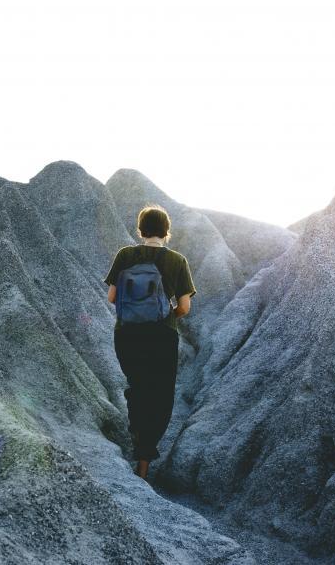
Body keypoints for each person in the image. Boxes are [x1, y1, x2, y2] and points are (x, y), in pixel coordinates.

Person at [104, 204, 197, 481]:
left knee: (138, 388)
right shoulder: (177, 261)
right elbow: (185, 307)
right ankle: (144, 462)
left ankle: (136, 435)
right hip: (162, 336)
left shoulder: (125, 255)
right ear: (167, 231)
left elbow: (111, 297)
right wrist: (167, 315)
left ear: (140, 230)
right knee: (160, 397)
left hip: (127, 335)